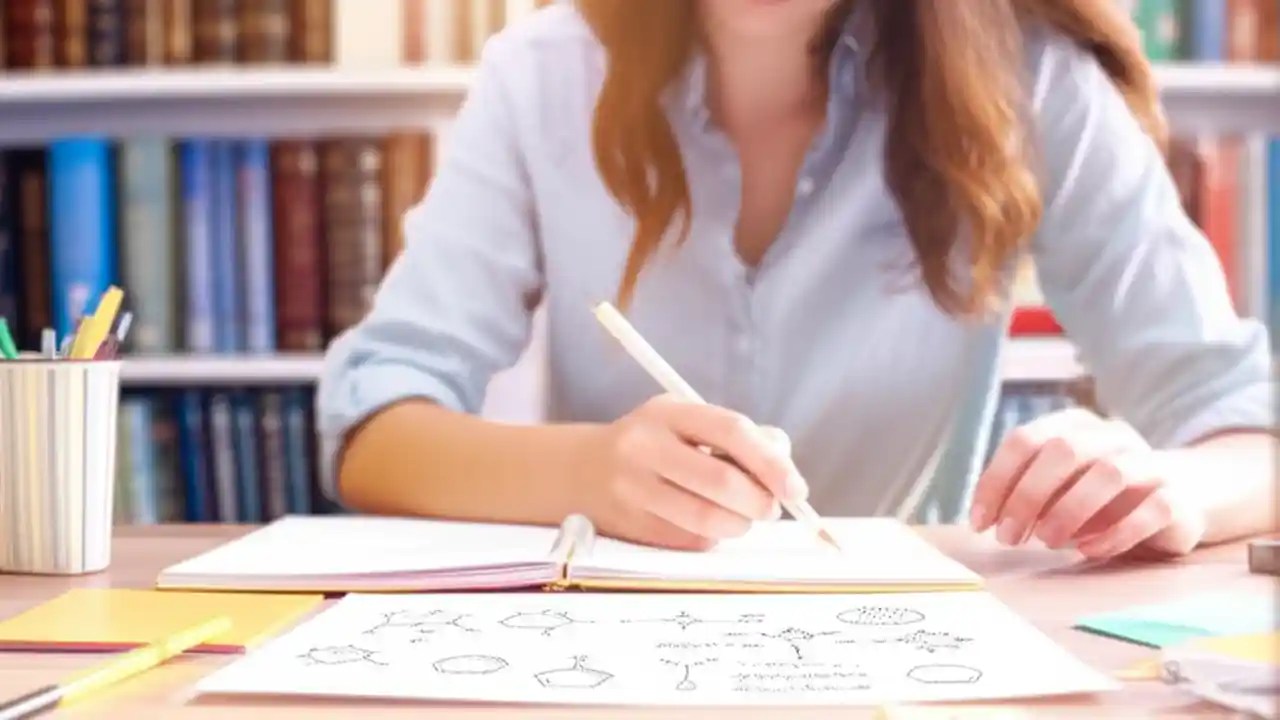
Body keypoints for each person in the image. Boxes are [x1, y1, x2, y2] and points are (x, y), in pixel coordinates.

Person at [317, 0, 1276, 560]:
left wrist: (1171, 487)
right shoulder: (540, 72)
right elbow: (371, 429)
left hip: (907, 655)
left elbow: (1246, 424)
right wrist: (586, 474)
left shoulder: (1032, 80)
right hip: (621, 653)